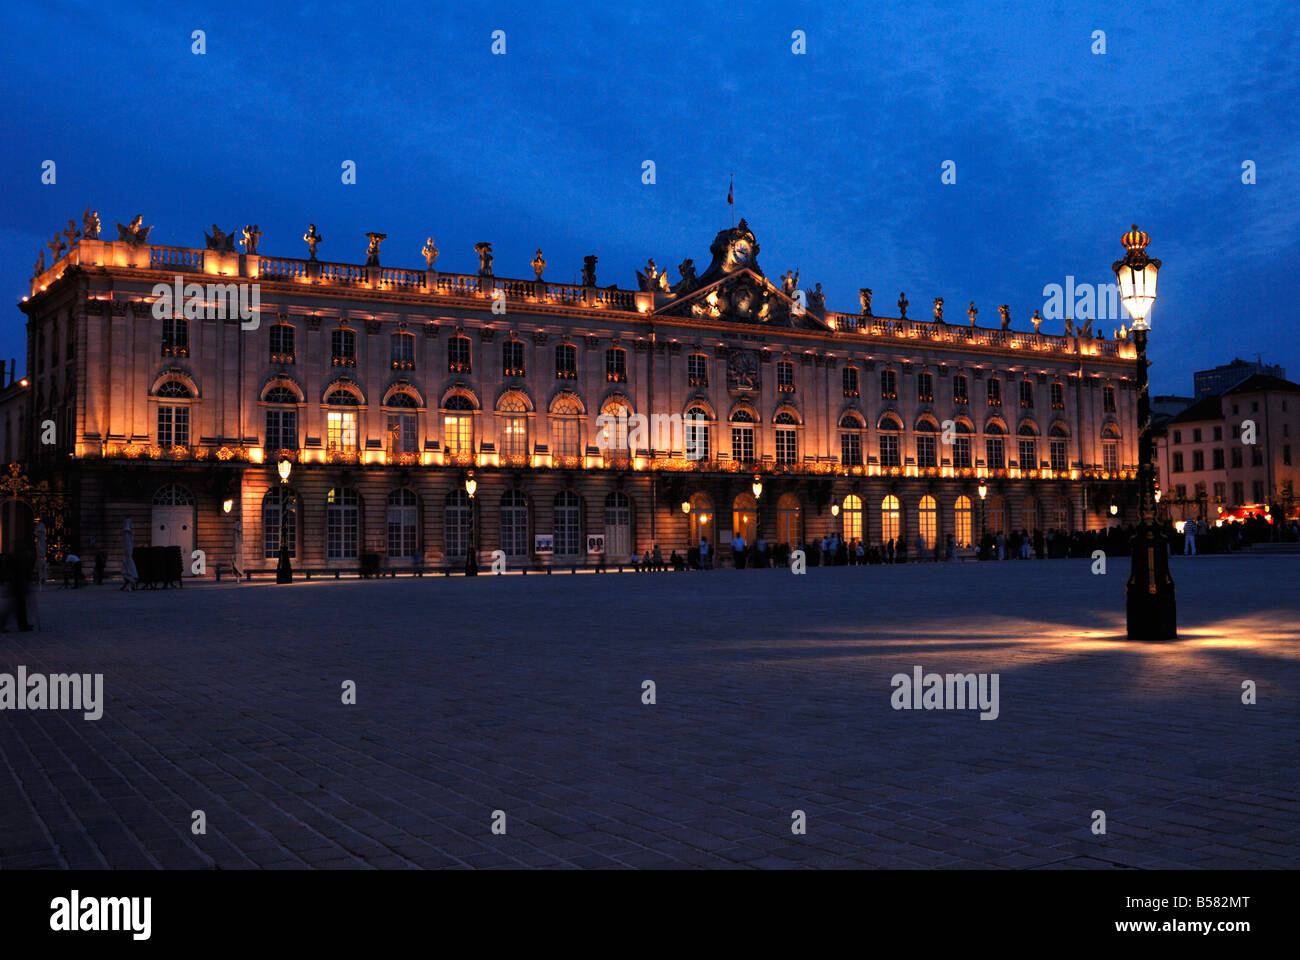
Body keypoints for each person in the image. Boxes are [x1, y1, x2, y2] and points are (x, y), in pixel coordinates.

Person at [121, 518, 139, 590]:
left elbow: (128, 548)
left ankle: (130, 583)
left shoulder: (127, 535)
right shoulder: (129, 535)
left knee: (128, 568)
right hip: (128, 556)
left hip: (128, 555)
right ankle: (130, 583)